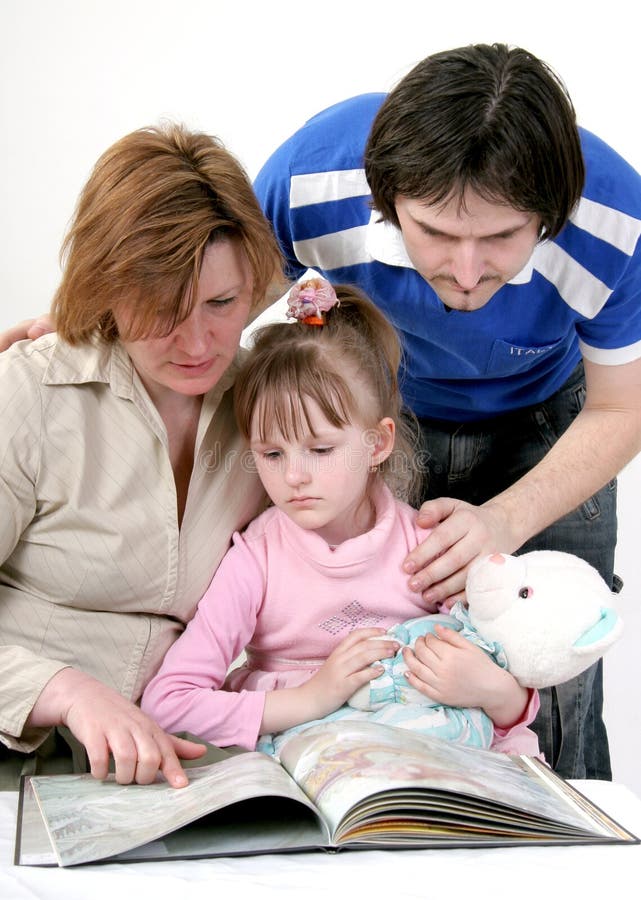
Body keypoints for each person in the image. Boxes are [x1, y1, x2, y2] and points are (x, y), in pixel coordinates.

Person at [252, 43, 641, 780]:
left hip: (553, 416)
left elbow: (623, 404)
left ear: (553, 216)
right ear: (383, 198)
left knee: (553, 668)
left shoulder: (618, 221)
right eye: (433, 233)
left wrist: (504, 521)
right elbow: (212, 309)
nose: (464, 274)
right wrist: (95, 330)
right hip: (382, 413)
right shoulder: (308, 181)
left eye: (500, 238)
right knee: (374, 650)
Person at [141, 278, 539, 759]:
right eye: (270, 453)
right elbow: (169, 704)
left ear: (377, 443)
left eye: (320, 449)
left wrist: (494, 691)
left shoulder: (429, 548)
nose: (293, 476)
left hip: (428, 777)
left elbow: (510, 712)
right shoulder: (257, 559)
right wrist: (313, 697)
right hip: (312, 785)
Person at [0, 122, 285, 789]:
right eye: (161, 308)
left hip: (184, 777)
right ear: (106, 286)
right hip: (17, 764)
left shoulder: (266, 405)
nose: (196, 341)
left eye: (221, 302)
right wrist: (64, 689)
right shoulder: (30, 391)